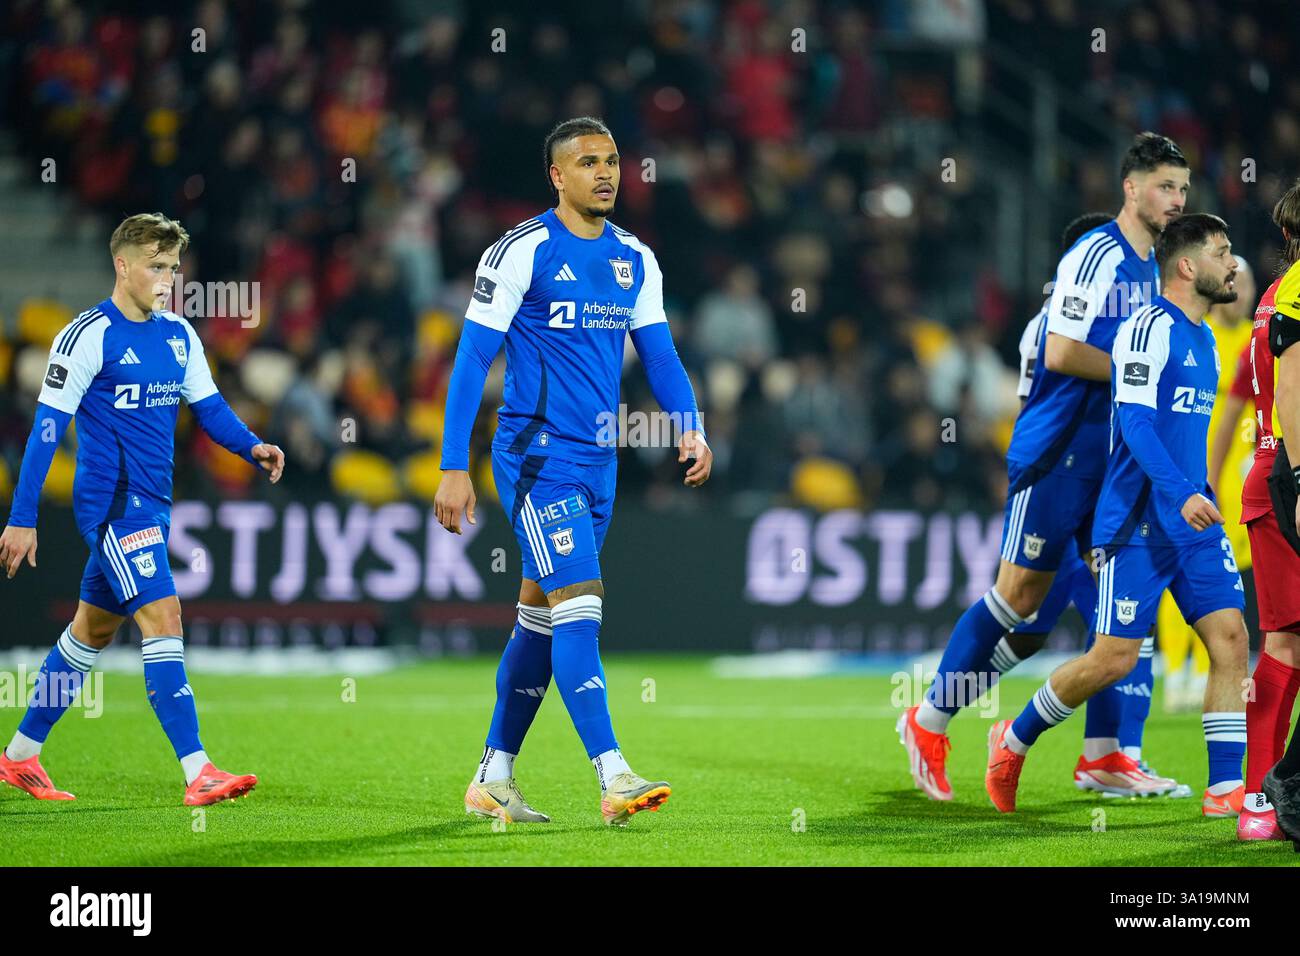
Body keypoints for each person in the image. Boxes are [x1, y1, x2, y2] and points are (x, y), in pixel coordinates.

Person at [434, 117, 712, 826]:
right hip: (536, 457)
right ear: (557, 176)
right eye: (588, 162)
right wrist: (452, 465)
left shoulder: (634, 259)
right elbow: (471, 360)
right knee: (582, 606)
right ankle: (613, 775)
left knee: (541, 617)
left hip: (600, 462)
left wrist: (691, 425)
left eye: (613, 160)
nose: (606, 173)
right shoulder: (521, 250)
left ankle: (492, 778)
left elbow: (660, 355)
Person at [898, 134, 1188, 801]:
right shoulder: (1096, 254)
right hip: (1061, 453)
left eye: (1183, 190)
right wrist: (1138, 372)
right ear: (1131, 186)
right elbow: (1060, 351)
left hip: (1111, 460)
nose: (1175, 201)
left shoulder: (1151, 269)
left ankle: (1107, 755)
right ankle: (929, 721)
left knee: (1121, 609)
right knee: (1019, 602)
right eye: (1165, 187)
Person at [0, 212, 284, 805]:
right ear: (121, 265)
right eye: (156, 267)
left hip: (152, 503)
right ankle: (198, 769)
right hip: (110, 506)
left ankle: (20, 755)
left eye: (174, 268)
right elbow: (47, 430)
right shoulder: (87, 336)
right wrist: (22, 516)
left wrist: (250, 444)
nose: (167, 279)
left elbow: (209, 409)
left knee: (90, 633)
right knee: (164, 617)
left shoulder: (179, 334)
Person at [986, 214, 1248, 817]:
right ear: (1188, 266)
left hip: (1193, 524)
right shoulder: (1144, 330)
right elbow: (1135, 424)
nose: (1233, 263)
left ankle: (1226, 788)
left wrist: (1196, 494)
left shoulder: (1205, 338)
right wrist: (1179, 491)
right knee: (1114, 660)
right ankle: (1014, 737)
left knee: (1231, 640)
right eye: (1222, 252)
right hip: (1137, 525)